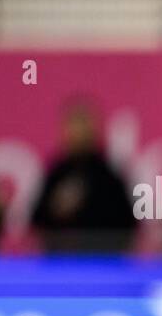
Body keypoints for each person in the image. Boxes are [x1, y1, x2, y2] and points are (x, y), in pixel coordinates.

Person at [30, 101, 135, 253]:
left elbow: (126, 224)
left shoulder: (108, 176)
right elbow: (37, 218)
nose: (77, 132)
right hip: (60, 264)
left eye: (83, 125)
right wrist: (56, 208)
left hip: (100, 263)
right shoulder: (56, 173)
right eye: (72, 126)